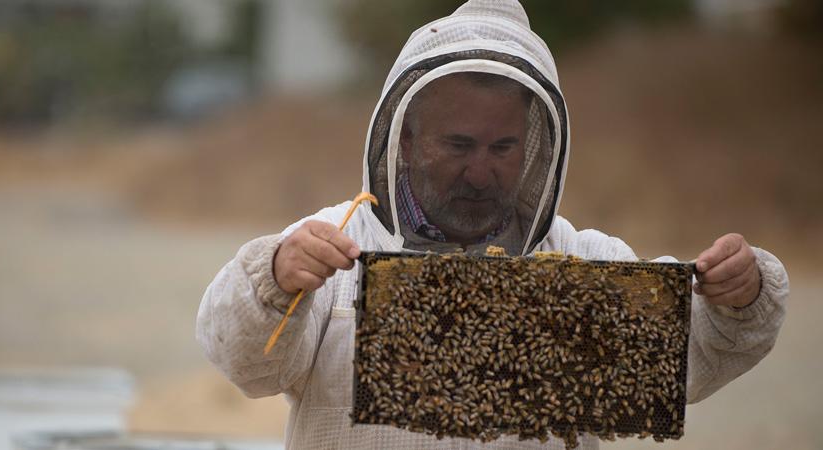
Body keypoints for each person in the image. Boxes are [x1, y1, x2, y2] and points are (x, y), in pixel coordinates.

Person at [196, 1, 788, 448]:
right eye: (459, 144)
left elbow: (689, 357)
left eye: (503, 147)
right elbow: (245, 364)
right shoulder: (336, 246)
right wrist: (274, 278)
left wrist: (740, 297)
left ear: (534, 145)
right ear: (404, 141)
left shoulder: (583, 260)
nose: (480, 172)